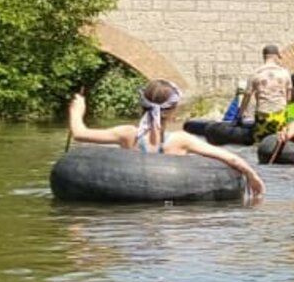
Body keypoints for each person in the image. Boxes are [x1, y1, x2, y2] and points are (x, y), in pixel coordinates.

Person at [68, 83, 265, 199]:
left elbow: (79, 133)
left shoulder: (127, 134)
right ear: (171, 110)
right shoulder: (180, 140)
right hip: (170, 207)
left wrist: (77, 110)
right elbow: (230, 158)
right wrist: (252, 175)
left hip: (129, 205)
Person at [240, 44, 294, 140]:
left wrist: (241, 113)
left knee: (261, 143)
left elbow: (247, 96)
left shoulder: (255, 73)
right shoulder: (285, 73)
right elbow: (288, 98)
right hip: (280, 113)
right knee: (279, 141)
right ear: (276, 56)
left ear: (264, 56)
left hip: (262, 114)